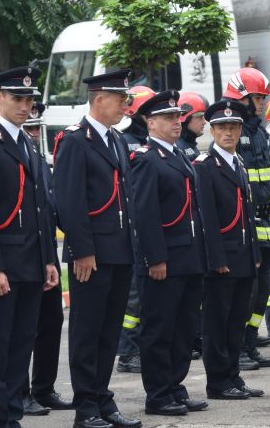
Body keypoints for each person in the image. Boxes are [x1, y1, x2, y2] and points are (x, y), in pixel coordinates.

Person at [0, 65, 61, 428]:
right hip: (3, 264)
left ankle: (12, 414)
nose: (25, 106)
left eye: (29, 99)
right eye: (17, 98)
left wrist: (49, 259)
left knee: (22, 343)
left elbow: (40, 211)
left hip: (32, 263)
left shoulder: (28, 143)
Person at [52, 70, 141, 428]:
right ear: (99, 99)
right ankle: (85, 406)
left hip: (119, 250)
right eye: (120, 99)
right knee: (87, 332)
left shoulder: (116, 140)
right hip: (92, 255)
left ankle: (103, 398)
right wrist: (82, 250)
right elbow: (69, 201)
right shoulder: (75, 140)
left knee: (109, 330)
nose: (125, 105)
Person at [130, 90, 208, 416]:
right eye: (167, 118)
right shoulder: (146, 159)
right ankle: (158, 394)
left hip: (188, 256)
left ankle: (175, 386)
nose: (176, 122)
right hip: (166, 259)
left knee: (183, 329)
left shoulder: (177, 155)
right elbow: (144, 214)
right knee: (159, 329)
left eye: (177, 116)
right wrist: (155, 258)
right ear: (150, 122)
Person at [194, 99, 264, 400]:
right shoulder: (206, 167)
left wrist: (255, 253)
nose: (229, 132)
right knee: (217, 325)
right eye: (222, 127)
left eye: (234, 127)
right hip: (222, 259)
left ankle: (234, 377)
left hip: (244, 255)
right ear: (212, 130)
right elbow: (207, 217)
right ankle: (218, 382)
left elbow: (246, 213)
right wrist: (216, 258)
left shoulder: (239, 163)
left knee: (236, 322)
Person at [221, 69, 270, 370]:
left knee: (263, 289)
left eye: (261, 97)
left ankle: (251, 342)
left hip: (265, 222)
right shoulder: (232, 128)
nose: (260, 103)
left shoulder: (259, 132)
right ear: (238, 97)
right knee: (246, 290)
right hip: (243, 224)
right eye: (255, 97)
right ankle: (238, 348)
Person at [21, 99, 72, 417]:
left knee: (51, 321)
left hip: (44, 255)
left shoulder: (38, 158)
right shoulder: (8, 154)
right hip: (20, 256)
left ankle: (43, 387)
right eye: (27, 128)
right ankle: (20, 392)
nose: (31, 134)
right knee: (23, 328)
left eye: (35, 129)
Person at [115, 84, 154, 376]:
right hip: (132, 228)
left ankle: (136, 346)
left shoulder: (144, 140)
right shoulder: (125, 140)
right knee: (133, 297)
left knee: (141, 294)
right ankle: (128, 352)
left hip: (144, 228)